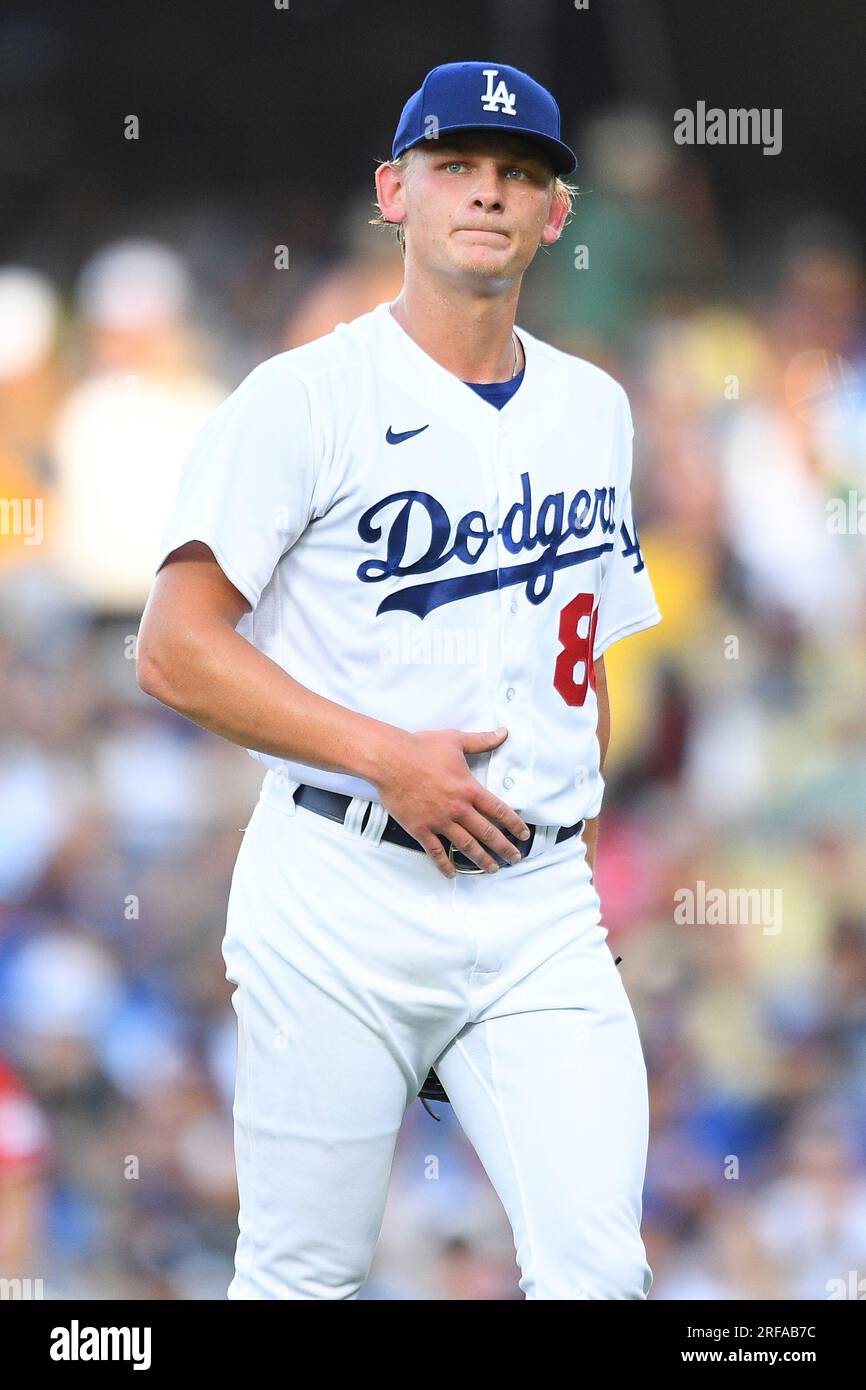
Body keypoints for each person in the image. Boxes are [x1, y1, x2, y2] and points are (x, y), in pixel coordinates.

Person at [137, 60, 662, 1300]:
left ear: (555, 215)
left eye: (518, 174)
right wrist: (384, 754)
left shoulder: (593, 407)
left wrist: (569, 837)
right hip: (339, 885)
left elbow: (583, 662)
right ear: (395, 193)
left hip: (535, 902)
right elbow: (172, 646)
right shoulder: (303, 396)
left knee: (599, 1268)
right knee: (300, 1277)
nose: (487, 193)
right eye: (456, 168)